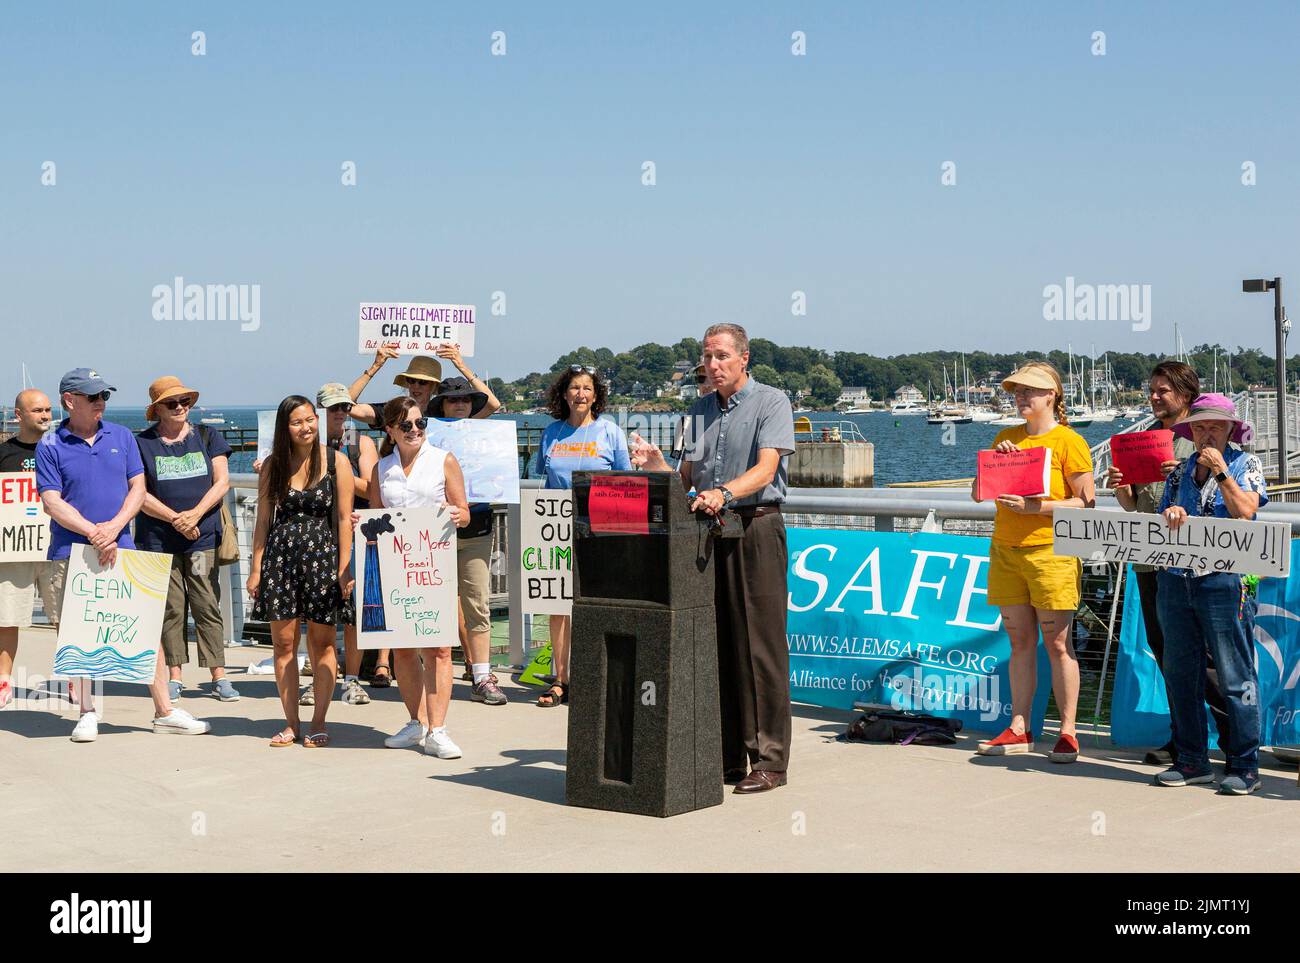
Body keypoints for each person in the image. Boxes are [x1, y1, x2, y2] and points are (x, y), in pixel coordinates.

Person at [631, 324, 796, 794]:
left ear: (744, 358)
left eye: (722, 355)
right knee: (716, 642)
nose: (712, 364)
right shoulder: (698, 411)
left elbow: (766, 469)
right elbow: (685, 479)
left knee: (760, 646)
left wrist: (723, 492)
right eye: (707, 356)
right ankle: (725, 756)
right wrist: (657, 466)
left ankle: (770, 761)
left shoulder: (772, 402)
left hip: (755, 526)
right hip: (707, 529)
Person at [37, 368, 210, 741]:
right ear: (69, 400)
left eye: (104, 396)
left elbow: (138, 488)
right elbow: (52, 501)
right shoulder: (50, 443)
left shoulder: (121, 436)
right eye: (93, 396)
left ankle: (165, 710)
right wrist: (94, 532)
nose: (101, 402)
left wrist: (113, 528)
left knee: (144, 630)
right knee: (79, 634)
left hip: (123, 547)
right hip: (71, 551)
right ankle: (87, 712)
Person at [1105, 361, 1233, 766]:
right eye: (1152, 390)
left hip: (1193, 565)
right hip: (1149, 562)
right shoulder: (1142, 439)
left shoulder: (1199, 440)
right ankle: (1184, 741)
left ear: (1186, 393)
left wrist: (1185, 475)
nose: (1155, 396)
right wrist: (1121, 487)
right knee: (1168, 657)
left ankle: (1235, 741)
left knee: (1207, 660)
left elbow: (1222, 497)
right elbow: (1134, 505)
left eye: (1163, 390)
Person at [969, 362, 1094, 764]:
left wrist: (1036, 508)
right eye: (1017, 391)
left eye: (1030, 391)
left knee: (1058, 644)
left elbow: (1086, 502)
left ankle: (1068, 731)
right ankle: (1019, 727)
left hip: (1051, 552)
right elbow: (978, 493)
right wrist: (997, 460)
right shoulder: (1005, 437)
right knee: (1019, 643)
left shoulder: (1069, 441)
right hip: (1006, 550)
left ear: (1052, 396)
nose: (1021, 397)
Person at [1154, 393, 1267, 795]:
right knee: (1180, 674)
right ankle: (1191, 760)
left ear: (1230, 430)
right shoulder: (1179, 472)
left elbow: (1246, 511)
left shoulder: (1245, 463)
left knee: (1235, 674)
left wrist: (1220, 472)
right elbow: (1163, 516)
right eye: (1200, 427)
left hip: (1226, 580)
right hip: (1177, 577)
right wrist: (1172, 515)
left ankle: (1245, 764)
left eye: (1215, 427)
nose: (1206, 434)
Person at [247, 396, 354, 748]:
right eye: (297, 422)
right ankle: (291, 722)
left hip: (323, 558)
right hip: (280, 559)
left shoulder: (336, 462)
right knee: (283, 644)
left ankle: (319, 720)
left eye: (310, 419)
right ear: (285, 427)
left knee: (323, 644)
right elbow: (263, 521)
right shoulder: (273, 465)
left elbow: (344, 519)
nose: (306, 427)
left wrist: (344, 568)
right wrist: (256, 569)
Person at [369, 397, 471, 757]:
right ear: (390, 430)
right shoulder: (382, 469)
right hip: (396, 566)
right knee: (403, 649)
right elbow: (375, 516)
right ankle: (416, 722)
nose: (415, 430)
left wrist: (457, 514)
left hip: (432, 566)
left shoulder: (443, 460)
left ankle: (438, 729)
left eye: (420, 423)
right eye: (406, 425)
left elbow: (465, 513)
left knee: (439, 649)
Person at [533, 364, 632, 708]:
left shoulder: (610, 432)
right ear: (564, 394)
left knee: (596, 603)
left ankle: (596, 677)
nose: (580, 394)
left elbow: (626, 480)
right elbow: (541, 478)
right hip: (557, 529)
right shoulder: (552, 432)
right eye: (574, 388)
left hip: (601, 530)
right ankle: (561, 679)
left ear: (595, 395)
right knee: (558, 605)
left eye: (587, 388)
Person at [135, 377, 238, 703]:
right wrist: (176, 519)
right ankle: (175, 675)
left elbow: (222, 482)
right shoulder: (142, 443)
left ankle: (218, 675)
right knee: (171, 608)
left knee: (206, 603)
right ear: (157, 409)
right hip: (159, 541)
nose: (180, 407)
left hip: (201, 539)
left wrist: (194, 515)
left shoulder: (208, 435)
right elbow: (139, 493)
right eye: (171, 403)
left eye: (184, 401)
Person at [429, 367, 507, 705]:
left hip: (478, 529)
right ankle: (433, 673)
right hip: (437, 529)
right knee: (434, 603)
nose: (459, 404)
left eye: (464, 399)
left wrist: (460, 363)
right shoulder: (428, 435)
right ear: (442, 406)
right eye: (451, 400)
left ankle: (481, 675)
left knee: (477, 603)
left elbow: (495, 404)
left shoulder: (485, 434)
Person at [305, 383, 379, 708]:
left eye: (345, 407)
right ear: (319, 410)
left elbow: (372, 490)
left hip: (354, 532)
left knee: (353, 612)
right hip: (316, 534)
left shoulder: (359, 443)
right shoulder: (307, 444)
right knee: (317, 613)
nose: (340, 413)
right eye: (333, 407)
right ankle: (320, 679)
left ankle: (352, 679)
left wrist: (340, 472)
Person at [0, 390, 57, 709]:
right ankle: (3, 681)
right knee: (7, 618)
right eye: (37, 410)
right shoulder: (4, 453)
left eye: (48, 409)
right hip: (14, 549)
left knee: (65, 619)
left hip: (56, 547)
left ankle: (75, 681)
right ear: (19, 415)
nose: (45, 415)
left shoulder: (62, 449)